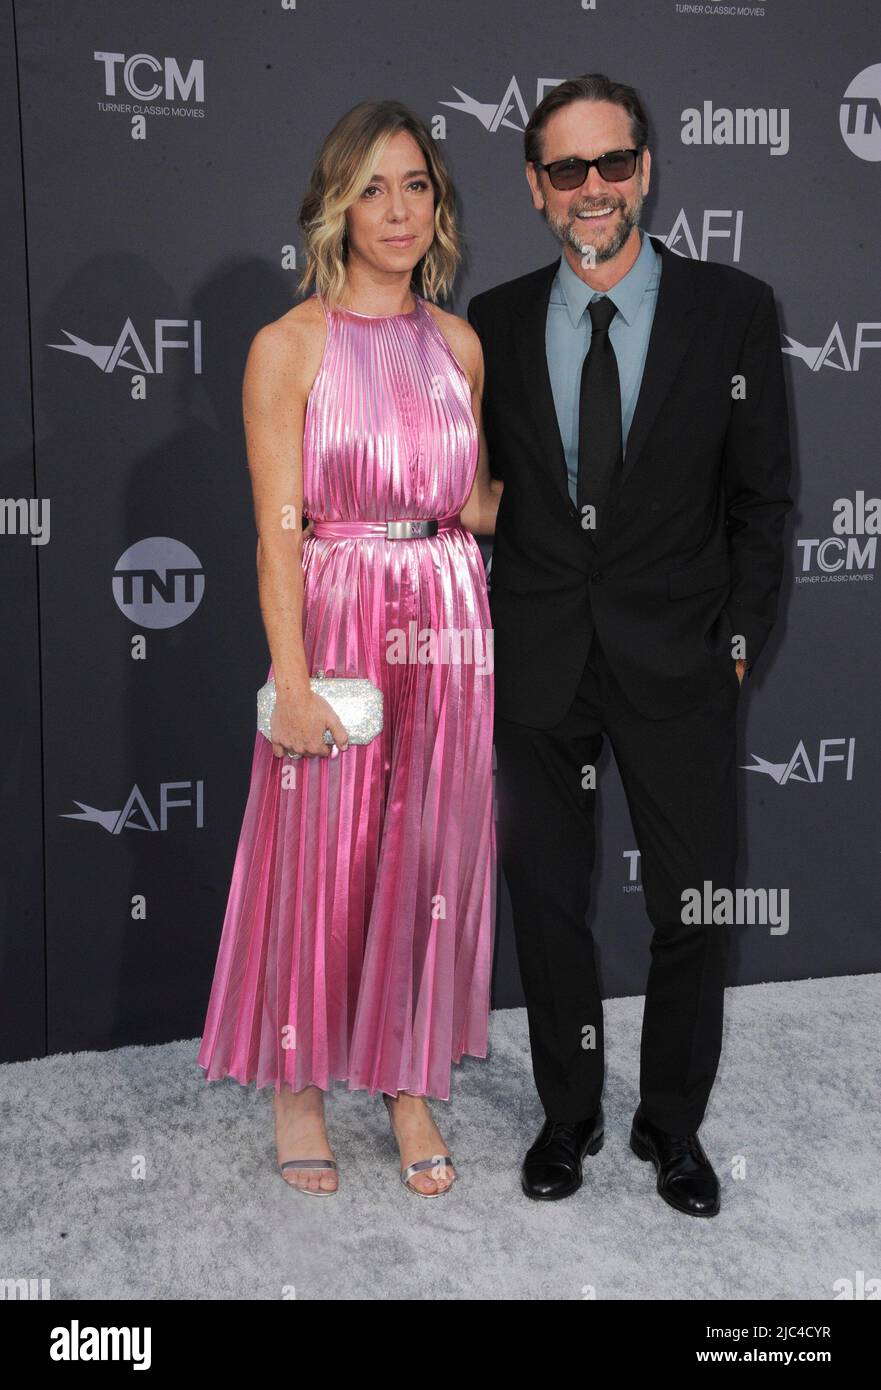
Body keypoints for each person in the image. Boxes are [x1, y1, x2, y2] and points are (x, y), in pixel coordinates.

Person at [467, 74, 792, 1215]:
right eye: (567, 169)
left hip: (679, 657)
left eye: (612, 164)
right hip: (539, 652)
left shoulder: (731, 308)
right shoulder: (492, 323)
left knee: (691, 905)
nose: (592, 188)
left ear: (645, 169)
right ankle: (568, 1114)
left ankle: (669, 1125)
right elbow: (473, 489)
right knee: (548, 902)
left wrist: (737, 641)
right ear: (535, 188)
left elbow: (762, 499)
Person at [197, 100, 502, 1197]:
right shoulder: (289, 346)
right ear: (334, 203)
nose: (396, 208)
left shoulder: (457, 344)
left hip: (450, 617)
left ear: (438, 202)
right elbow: (278, 529)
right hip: (337, 612)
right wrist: (287, 676)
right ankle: (298, 1082)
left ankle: (408, 1078)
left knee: (429, 854)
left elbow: (470, 504)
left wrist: (628, 500)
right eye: (371, 187)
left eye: (414, 184)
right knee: (317, 853)